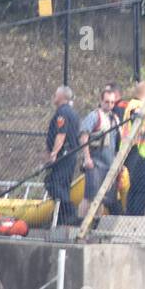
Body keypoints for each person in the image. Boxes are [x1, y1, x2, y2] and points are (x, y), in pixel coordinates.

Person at [78, 87, 121, 218]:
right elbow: (84, 137)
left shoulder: (115, 118)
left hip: (109, 163)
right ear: (101, 101)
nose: (109, 105)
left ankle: (95, 224)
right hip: (95, 163)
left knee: (102, 198)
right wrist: (87, 158)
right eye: (107, 102)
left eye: (112, 102)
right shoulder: (94, 116)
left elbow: (118, 142)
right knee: (90, 196)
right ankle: (80, 223)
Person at [121, 81, 145, 217]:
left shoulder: (142, 106)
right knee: (143, 187)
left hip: (140, 152)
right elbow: (137, 118)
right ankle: (136, 216)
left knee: (136, 186)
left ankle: (131, 215)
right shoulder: (137, 105)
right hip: (138, 151)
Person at [44, 85, 81, 225]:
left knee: (53, 183)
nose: (54, 96)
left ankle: (69, 212)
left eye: (55, 94)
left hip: (63, 155)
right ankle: (61, 219)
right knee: (63, 185)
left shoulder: (62, 113)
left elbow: (61, 134)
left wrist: (54, 153)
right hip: (70, 155)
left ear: (61, 97)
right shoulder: (72, 112)